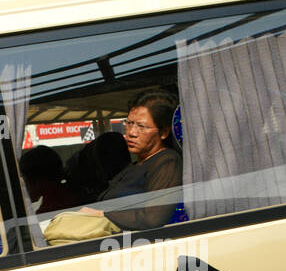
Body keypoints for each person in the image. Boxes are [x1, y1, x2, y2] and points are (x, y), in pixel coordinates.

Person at [81, 89, 182, 231]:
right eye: (129, 123)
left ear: (164, 132)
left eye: (141, 126)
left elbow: (153, 217)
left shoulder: (167, 162)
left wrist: (102, 215)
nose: (131, 133)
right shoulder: (134, 166)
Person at [19, 145, 80, 214]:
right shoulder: (72, 194)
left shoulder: (48, 209)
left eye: (25, 177)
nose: (24, 184)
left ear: (39, 181)